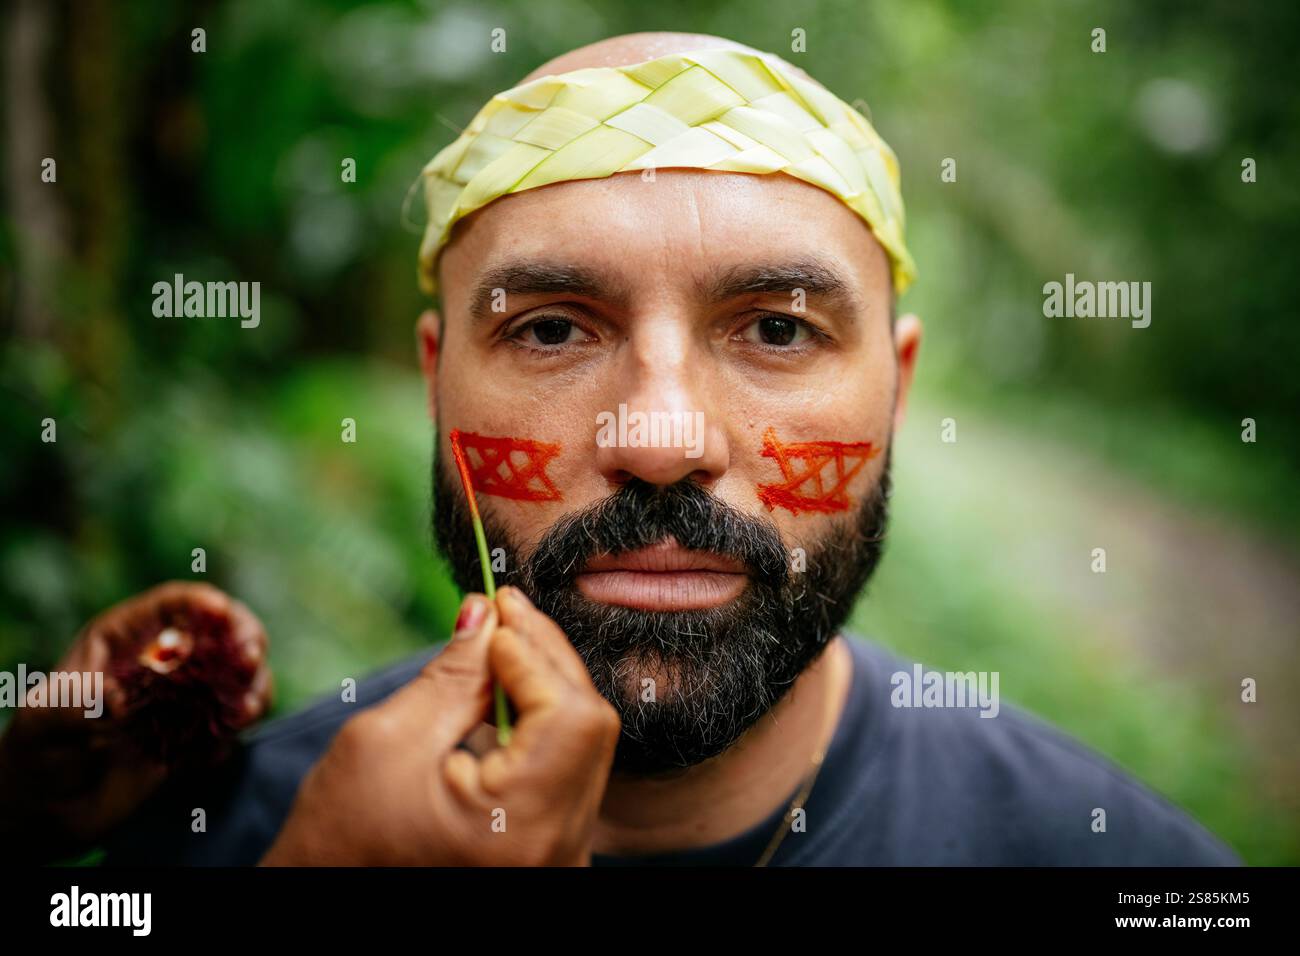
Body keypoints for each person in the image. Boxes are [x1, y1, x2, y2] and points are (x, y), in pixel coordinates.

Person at [2, 32, 1238, 867]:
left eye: (774, 328)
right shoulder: (220, 829)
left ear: (897, 389)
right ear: (435, 380)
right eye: (549, 328)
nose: (658, 439)